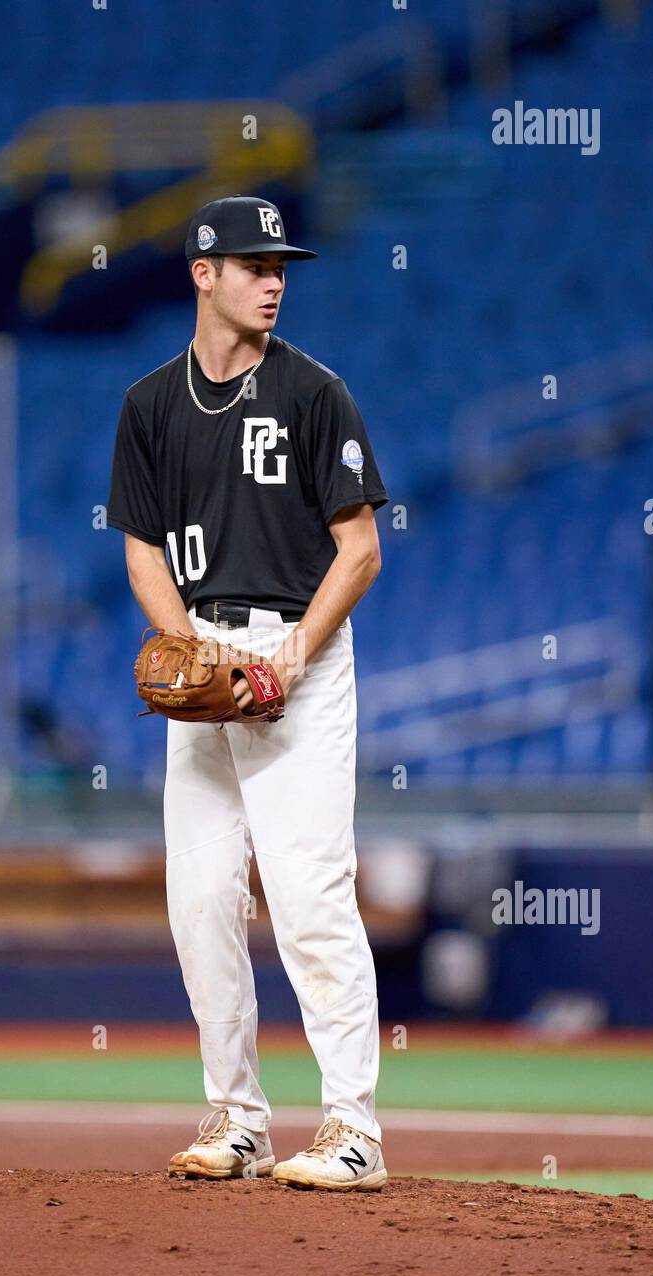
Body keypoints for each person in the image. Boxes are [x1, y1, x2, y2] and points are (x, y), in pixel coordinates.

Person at [107, 195, 389, 1190]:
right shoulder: (149, 406)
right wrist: (187, 644)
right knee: (198, 898)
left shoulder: (315, 394)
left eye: (281, 265)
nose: (273, 279)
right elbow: (141, 549)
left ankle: (352, 1128)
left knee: (309, 896)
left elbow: (359, 551)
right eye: (252, 262)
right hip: (206, 660)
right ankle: (237, 1116)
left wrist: (292, 657)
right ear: (202, 274)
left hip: (295, 655)